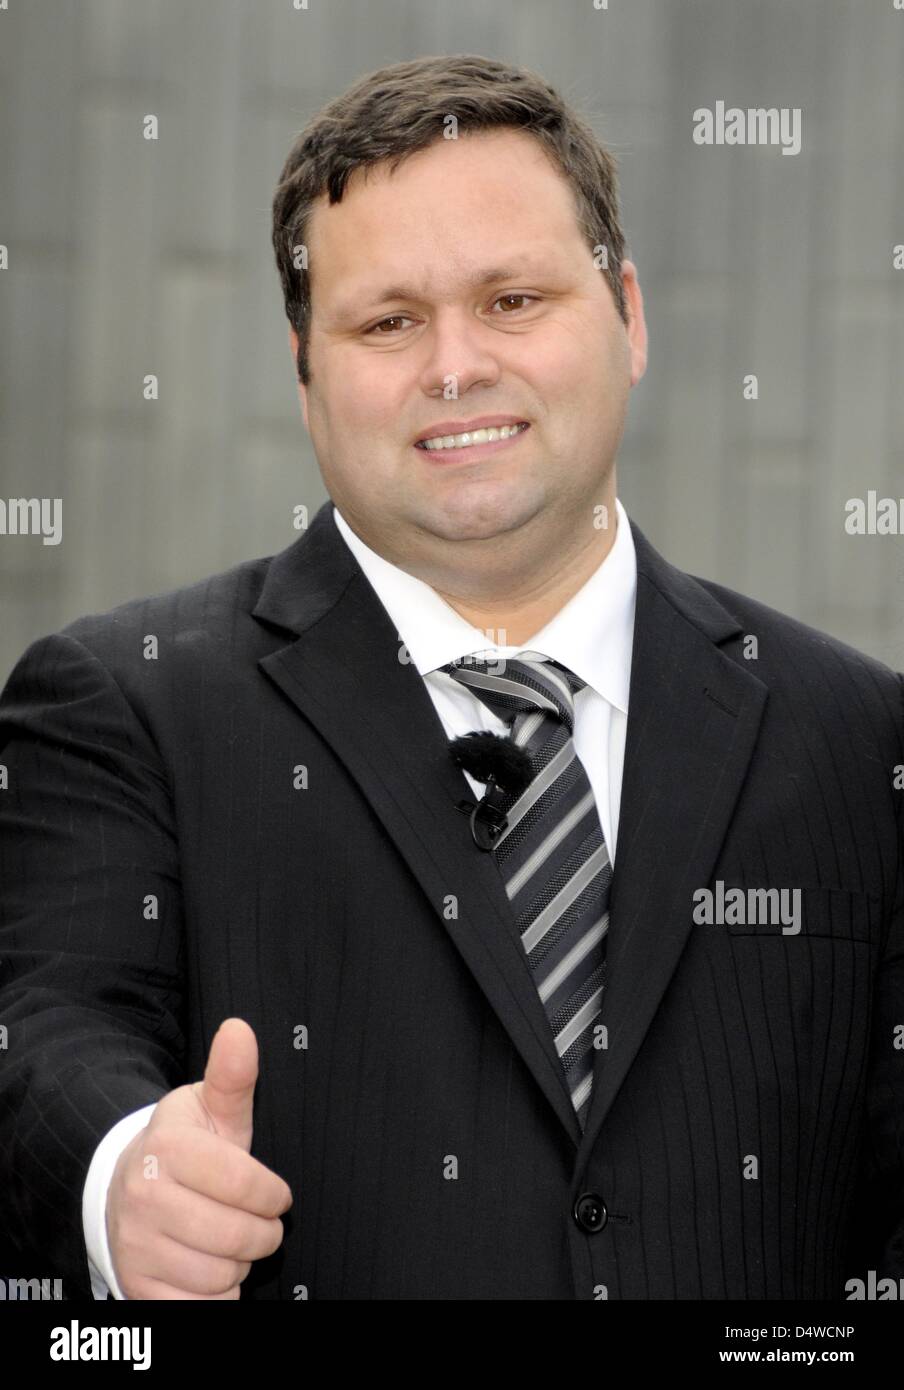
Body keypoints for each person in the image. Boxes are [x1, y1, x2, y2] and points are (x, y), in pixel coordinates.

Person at [0, 53, 902, 1303]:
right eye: (386, 321)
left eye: (514, 299)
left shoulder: (861, 739)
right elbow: (43, 1032)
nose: (456, 365)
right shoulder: (124, 706)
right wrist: (123, 1179)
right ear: (305, 375)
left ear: (629, 314)